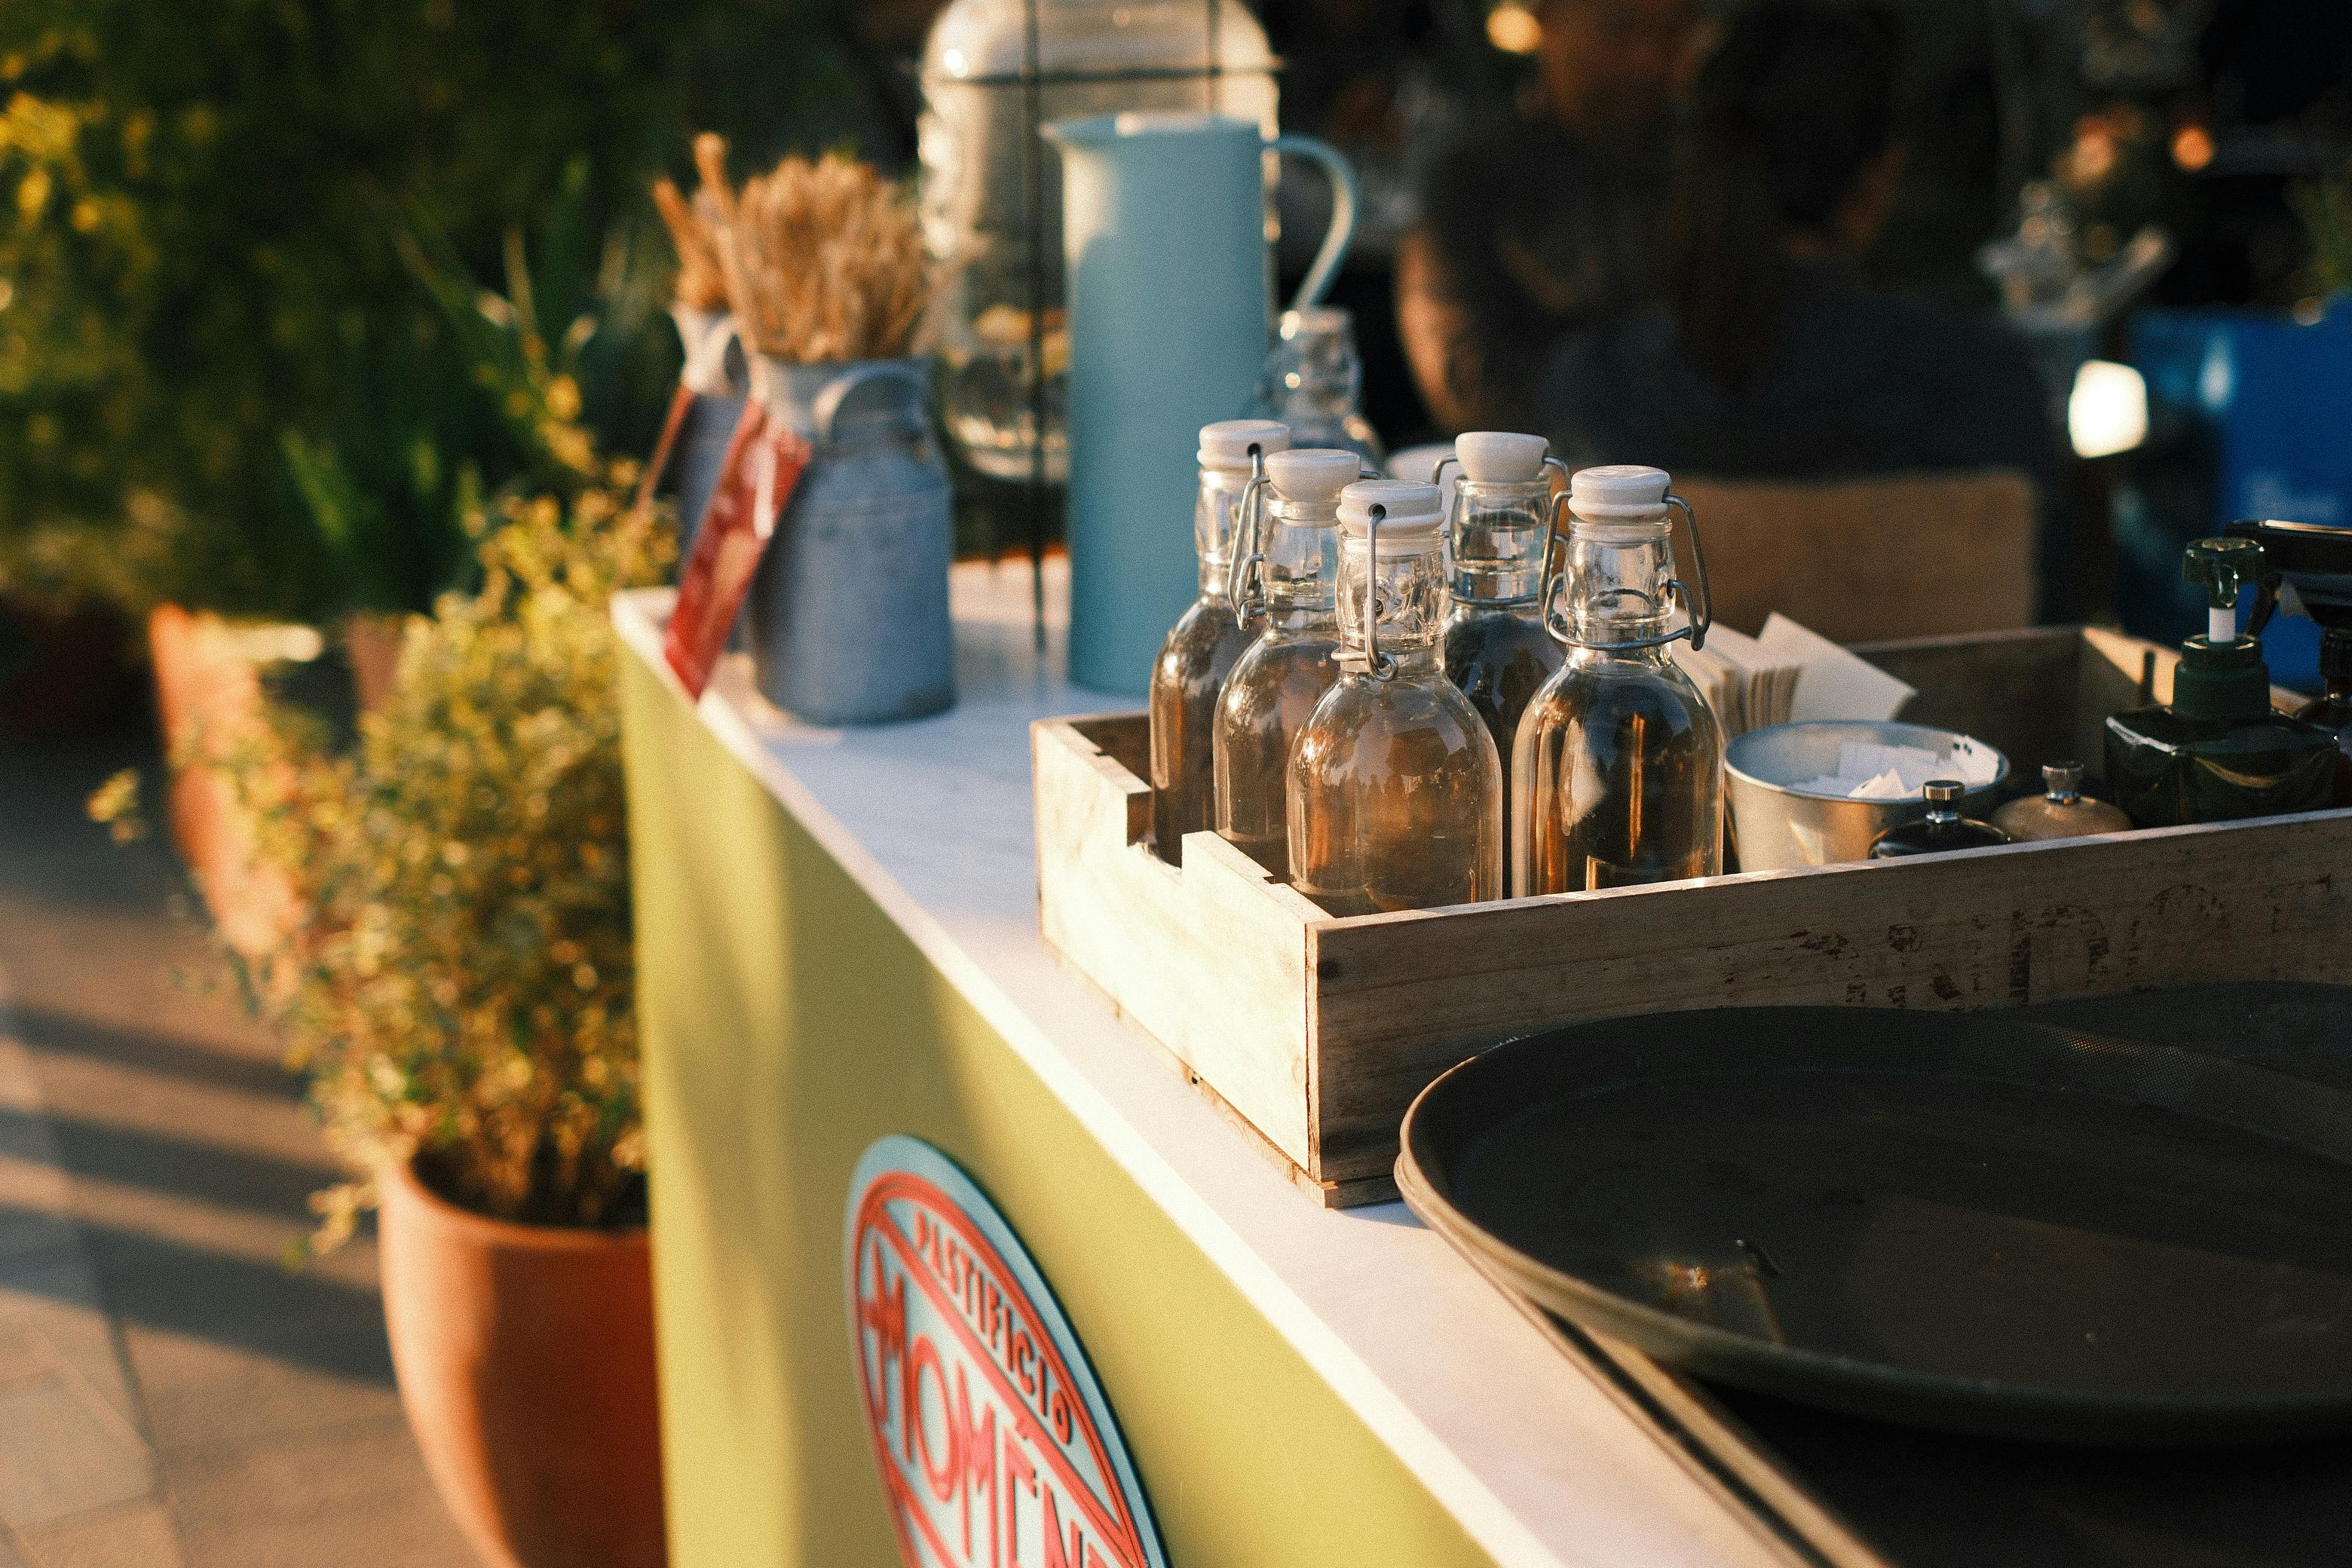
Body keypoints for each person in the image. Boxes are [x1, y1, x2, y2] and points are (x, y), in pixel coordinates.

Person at [1536, 0, 2067, 611]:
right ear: (1880, 181)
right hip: (1940, 711)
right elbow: (2052, 638)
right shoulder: (1987, 387)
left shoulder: (1592, 391)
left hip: (1680, 710)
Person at [1395, 0, 1701, 433]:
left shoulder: (1712, 167)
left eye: (1672, 33)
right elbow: (1471, 385)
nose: (1646, 62)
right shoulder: (1475, 176)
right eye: (1618, 29)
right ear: (1549, 22)